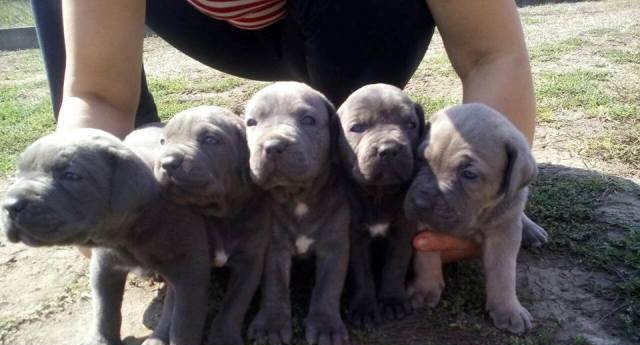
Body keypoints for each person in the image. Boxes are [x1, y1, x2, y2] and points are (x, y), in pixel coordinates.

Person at [31, 0, 537, 262]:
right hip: (208, 25)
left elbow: (491, 53)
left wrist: (491, 200)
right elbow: (96, 94)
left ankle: (354, 181)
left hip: (352, 18)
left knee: (350, 188)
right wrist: (89, 194)